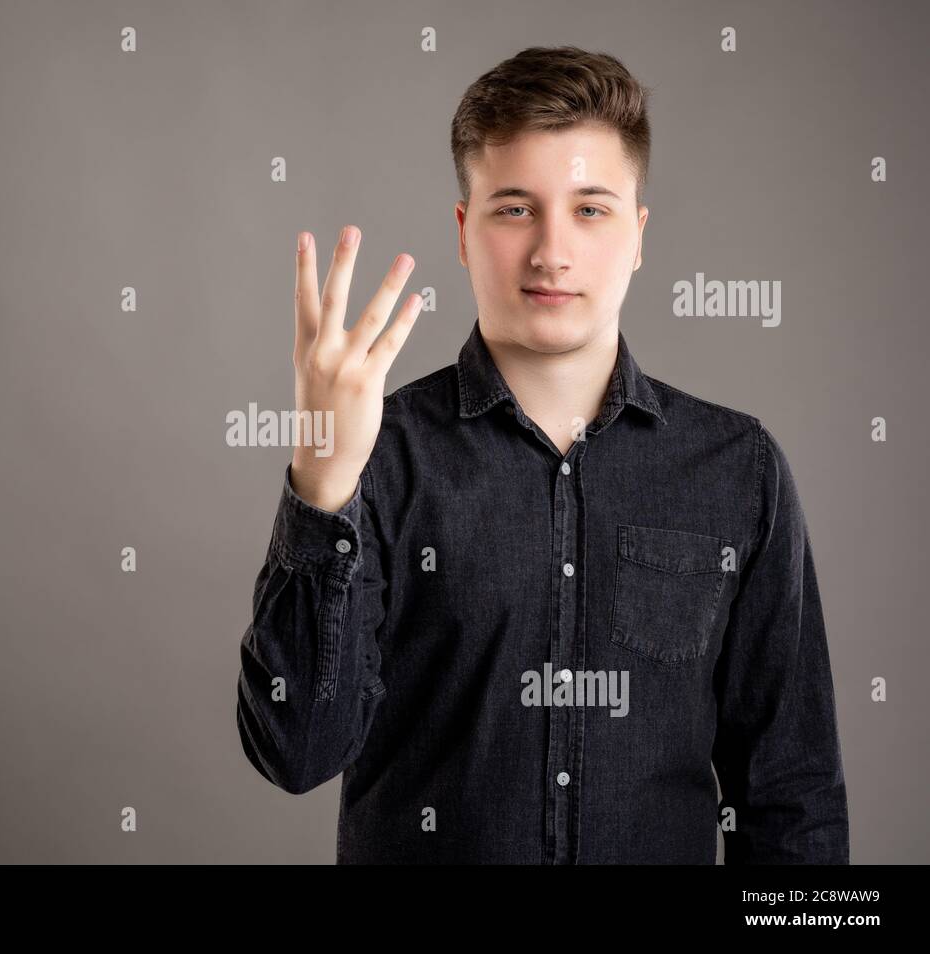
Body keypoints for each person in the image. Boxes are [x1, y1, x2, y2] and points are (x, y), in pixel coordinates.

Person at [234, 46, 849, 864]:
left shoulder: (739, 467)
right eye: (515, 209)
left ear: (638, 234)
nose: (551, 252)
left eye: (591, 210)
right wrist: (323, 480)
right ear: (465, 231)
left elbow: (792, 796)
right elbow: (296, 751)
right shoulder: (377, 456)